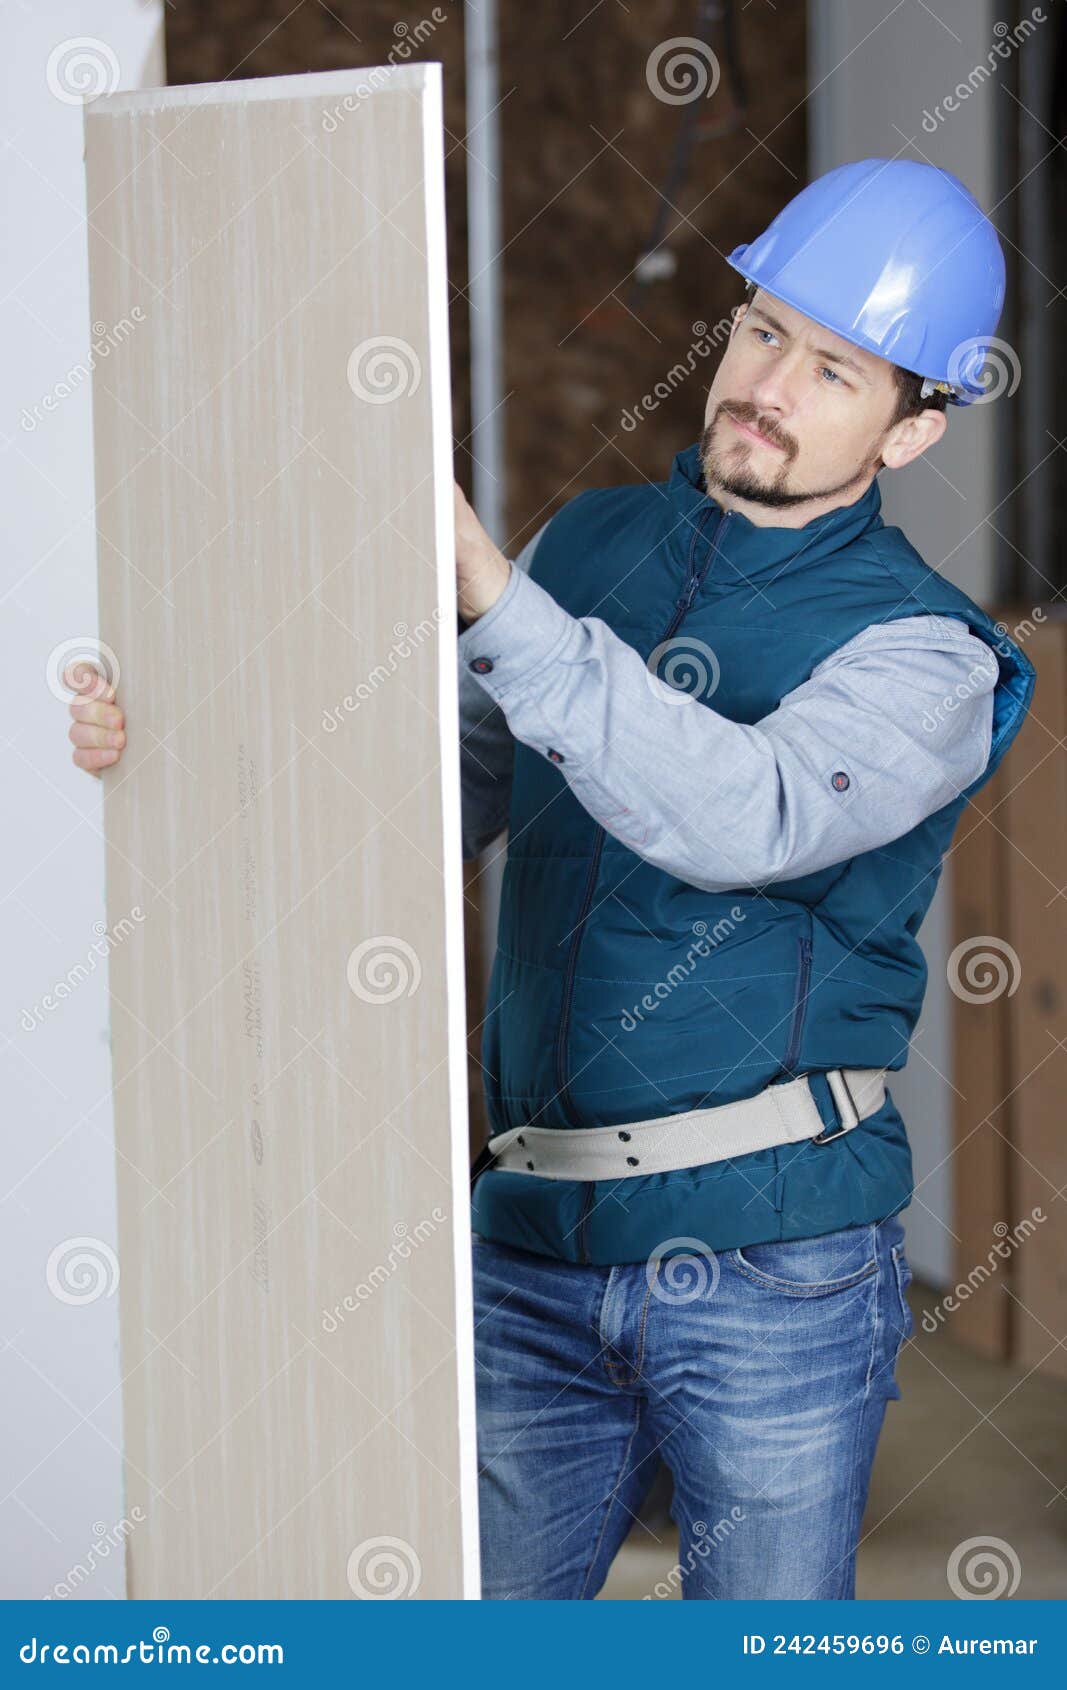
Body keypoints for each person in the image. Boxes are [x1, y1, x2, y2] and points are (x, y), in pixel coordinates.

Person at [68, 158, 1034, 1602]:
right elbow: (412, 803)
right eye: (764, 331)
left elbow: (749, 814)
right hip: (529, 1239)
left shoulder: (929, 652)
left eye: (835, 371)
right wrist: (169, 749)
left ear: (913, 429)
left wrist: (496, 599)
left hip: (776, 1257)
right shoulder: (588, 547)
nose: (768, 387)